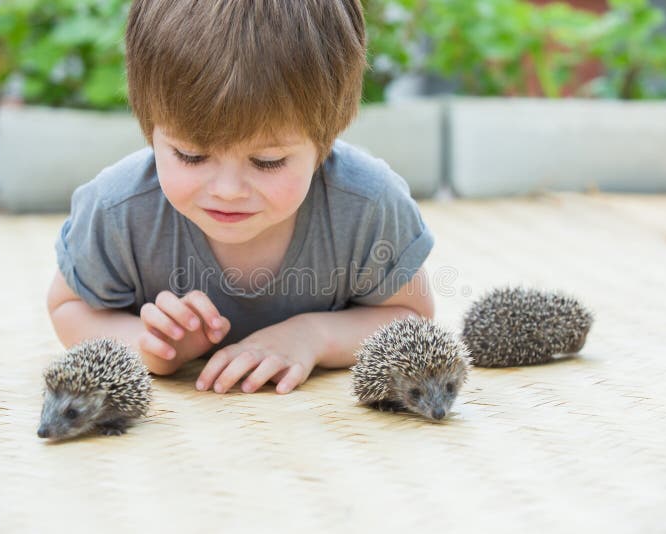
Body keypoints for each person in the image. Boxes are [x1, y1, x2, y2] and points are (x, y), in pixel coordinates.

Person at [46, 0, 435, 395]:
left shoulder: (368, 205)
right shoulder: (118, 209)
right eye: (191, 156)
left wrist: (314, 335)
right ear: (151, 129)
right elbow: (68, 307)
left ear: (325, 141)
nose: (227, 191)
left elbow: (412, 316)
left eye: (268, 162)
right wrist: (150, 346)